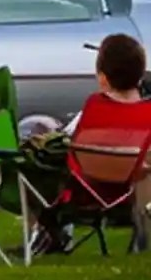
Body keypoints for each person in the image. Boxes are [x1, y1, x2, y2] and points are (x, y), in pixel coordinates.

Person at [17, 34, 150, 255]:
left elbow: (75, 151)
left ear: (104, 79)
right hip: (129, 190)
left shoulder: (96, 105)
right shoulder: (146, 111)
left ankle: (47, 236)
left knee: (39, 164)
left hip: (86, 189)